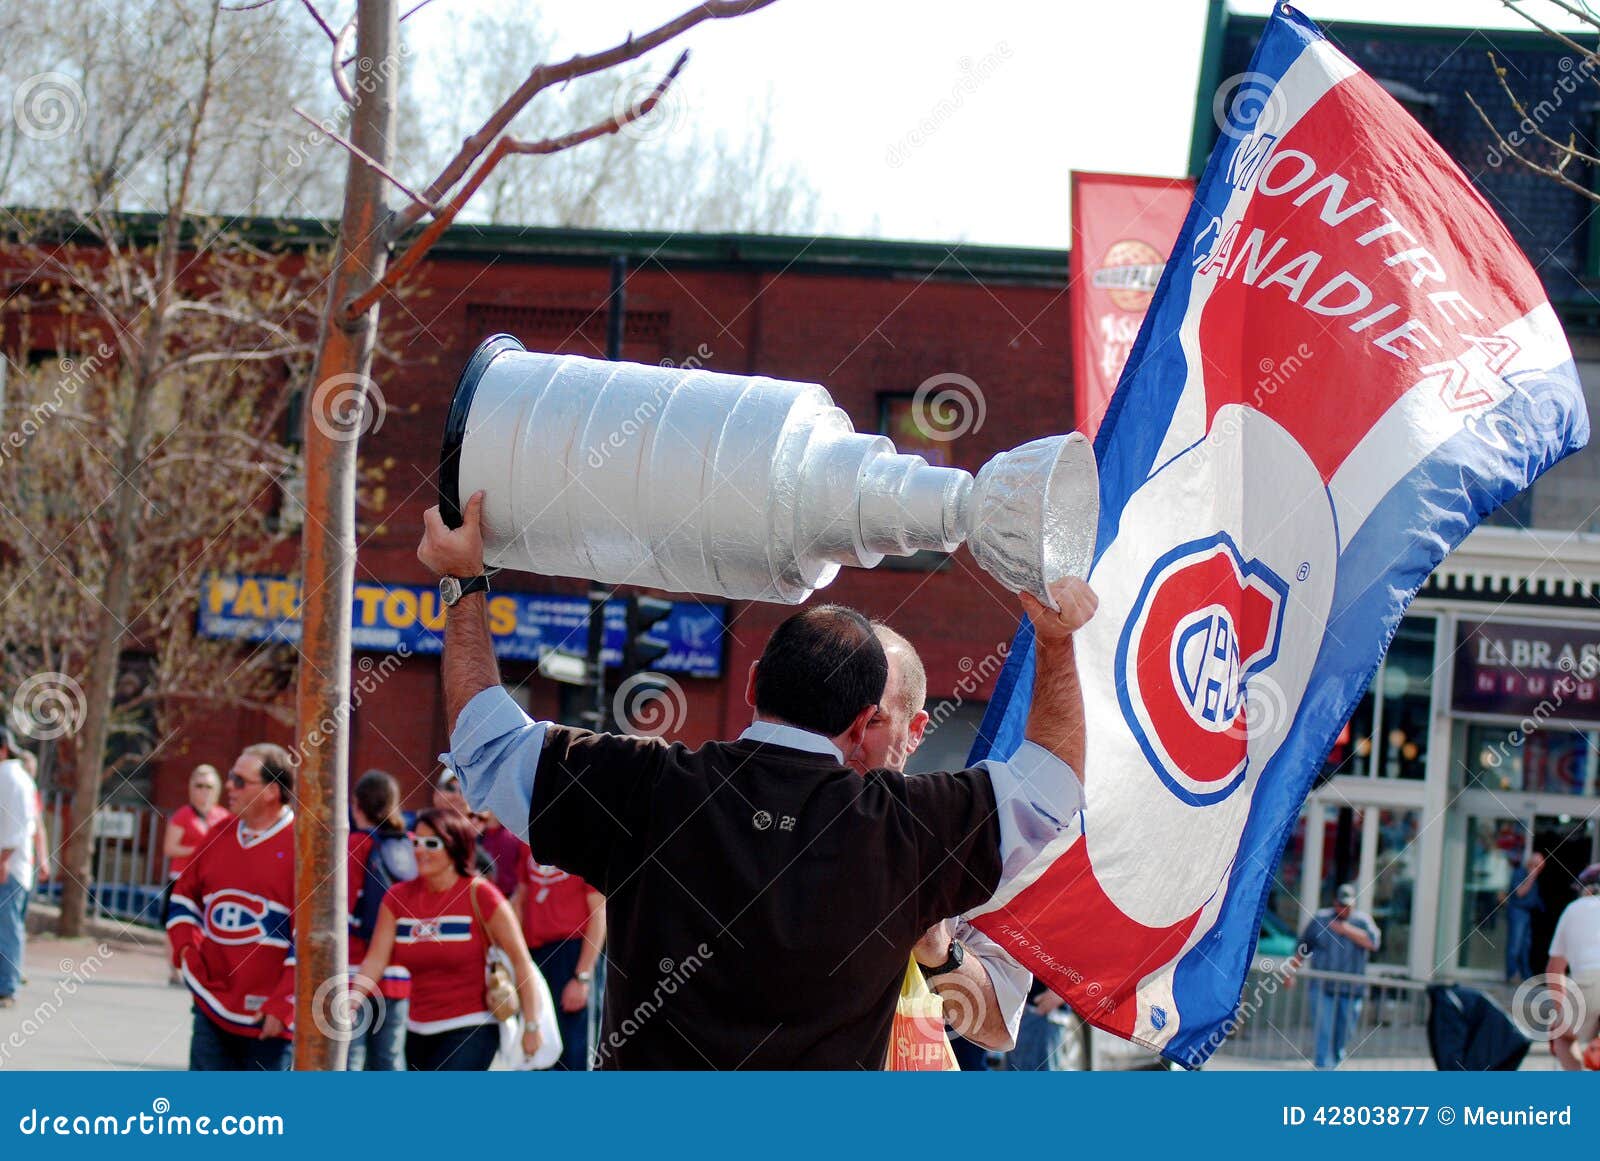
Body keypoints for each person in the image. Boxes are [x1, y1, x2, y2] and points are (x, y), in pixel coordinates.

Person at [419, 491, 1093, 1069]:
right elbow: (1053, 784)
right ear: (861, 722)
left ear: (750, 685)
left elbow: (486, 741)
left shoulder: (646, 786)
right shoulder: (917, 831)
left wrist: (464, 583)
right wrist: (1055, 642)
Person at [849, 622, 1030, 1060]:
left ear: (915, 730)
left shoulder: (962, 839)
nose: (849, 740)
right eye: (831, 719)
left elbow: (998, 1026)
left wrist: (935, 946)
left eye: (873, 721)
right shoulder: (761, 814)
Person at [353, 809, 545, 1071]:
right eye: (416, 842)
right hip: (417, 1029)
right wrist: (351, 1000)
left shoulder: (482, 895)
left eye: (431, 843)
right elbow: (376, 960)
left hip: (472, 1026)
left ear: (454, 845)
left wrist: (532, 1025)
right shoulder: (397, 898)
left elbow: (522, 962)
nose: (421, 850)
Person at [165, 743, 297, 1070]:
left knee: (266, 1121)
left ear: (271, 791)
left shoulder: (303, 844)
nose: (229, 787)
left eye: (240, 781)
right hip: (211, 1005)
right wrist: (186, 950)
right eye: (230, 778)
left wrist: (283, 1004)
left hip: (269, 1020)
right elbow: (182, 898)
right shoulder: (218, 834)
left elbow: (311, 938)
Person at [346, 768, 418, 1071]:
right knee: (389, 1062)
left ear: (356, 804)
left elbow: (343, 910)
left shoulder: (355, 845)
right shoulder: (412, 845)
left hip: (354, 972)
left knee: (349, 1058)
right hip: (399, 973)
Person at [512, 847, 604, 1070]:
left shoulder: (587, 845)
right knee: (540, 1048)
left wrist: (582, 977)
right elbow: (520, 897)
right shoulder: (528, 841)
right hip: (535, 954)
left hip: (573, 952)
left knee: (575, 1051)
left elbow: (599, 913)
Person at [1287, 882, 1381, 1070]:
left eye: (1347, 906)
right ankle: (1323, 1068)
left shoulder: (1363, 921)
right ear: (1334, 903)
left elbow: (1373, 943)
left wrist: (1346, 929)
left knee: (1344, 1033)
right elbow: (1302, 947)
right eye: (1340, 905)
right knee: (1324, 1031)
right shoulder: (1321, 919)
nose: (1343, 909)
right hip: (1323, 988)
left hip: (1351, 991)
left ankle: (1336, 1064)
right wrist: (1290, 973)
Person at [162, 764, 231, 983]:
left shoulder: (223, 816)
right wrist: (199, 850)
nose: (204, 791)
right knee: (177, 924)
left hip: (209, 882)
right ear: (191, 788)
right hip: (181, 879)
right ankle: (176, 969)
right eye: (199, 785)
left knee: (206, 927)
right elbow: (170, 848)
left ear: (217, 789)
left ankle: (201, 968)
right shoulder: (183, 815)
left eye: (208, 786)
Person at [1546, 863, 1600, 1071]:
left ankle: (1578, 1090)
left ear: (1587, 889)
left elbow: (1555, 969)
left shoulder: (1573, 909)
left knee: (1563, 1037)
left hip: (1588, 983)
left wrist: (1559, 1014)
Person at [0, 727, 39, 1010]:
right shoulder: (16, 777)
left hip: (9, 865)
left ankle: (7, 985)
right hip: (15, 863)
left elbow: (18, 827)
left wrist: (3, 859)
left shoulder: (9, 777)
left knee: (8, 927)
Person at [1503, 850, 1545, 983]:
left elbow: (1535, 898)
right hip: (1517, 912)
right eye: (1537, 865)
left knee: (1525, 947)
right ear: (1530, 864)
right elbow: (1520, 893)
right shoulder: (1520, 873)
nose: (1539, 870)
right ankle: (1512, 974)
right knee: (1515, 945)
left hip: (1527, 913)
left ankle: (1525, 975)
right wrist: (1531, 876)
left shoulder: (1533, 878)